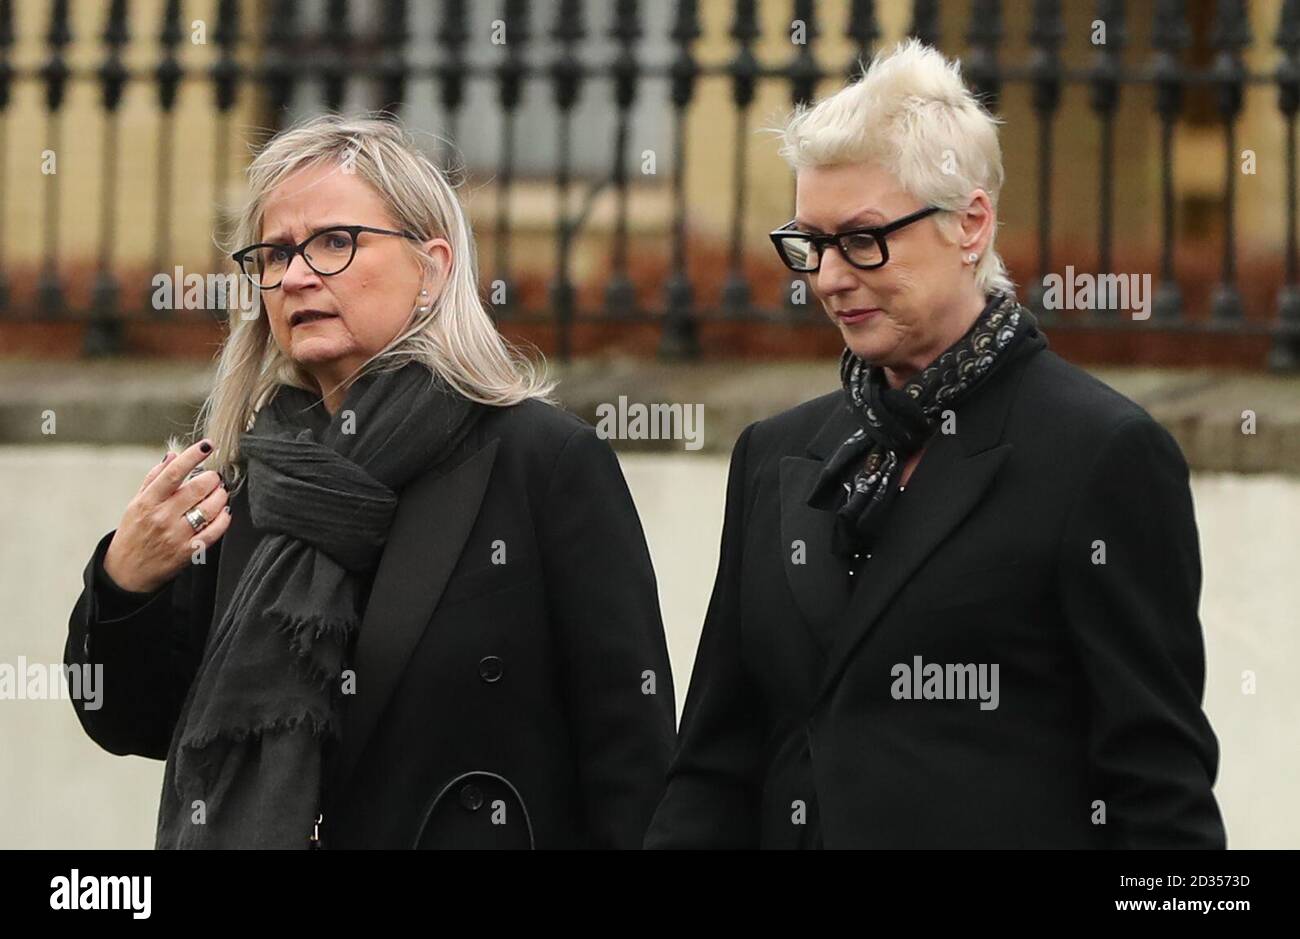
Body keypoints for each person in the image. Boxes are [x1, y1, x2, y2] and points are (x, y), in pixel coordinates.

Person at [644, 40, 1225, 849]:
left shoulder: (1101, 455)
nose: (831, 278)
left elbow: (1160, 798)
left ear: (970, 223)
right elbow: (712, 765)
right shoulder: (775, 453)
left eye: (864, 238)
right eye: (810, 243)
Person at [64, 113, 675, 849]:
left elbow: (631, 762)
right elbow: (132, 721)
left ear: (433, 268)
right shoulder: (246, 477)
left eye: (334, 242)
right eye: (276, 252)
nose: (294, 276)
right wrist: (125, 582)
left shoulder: (541, 462)